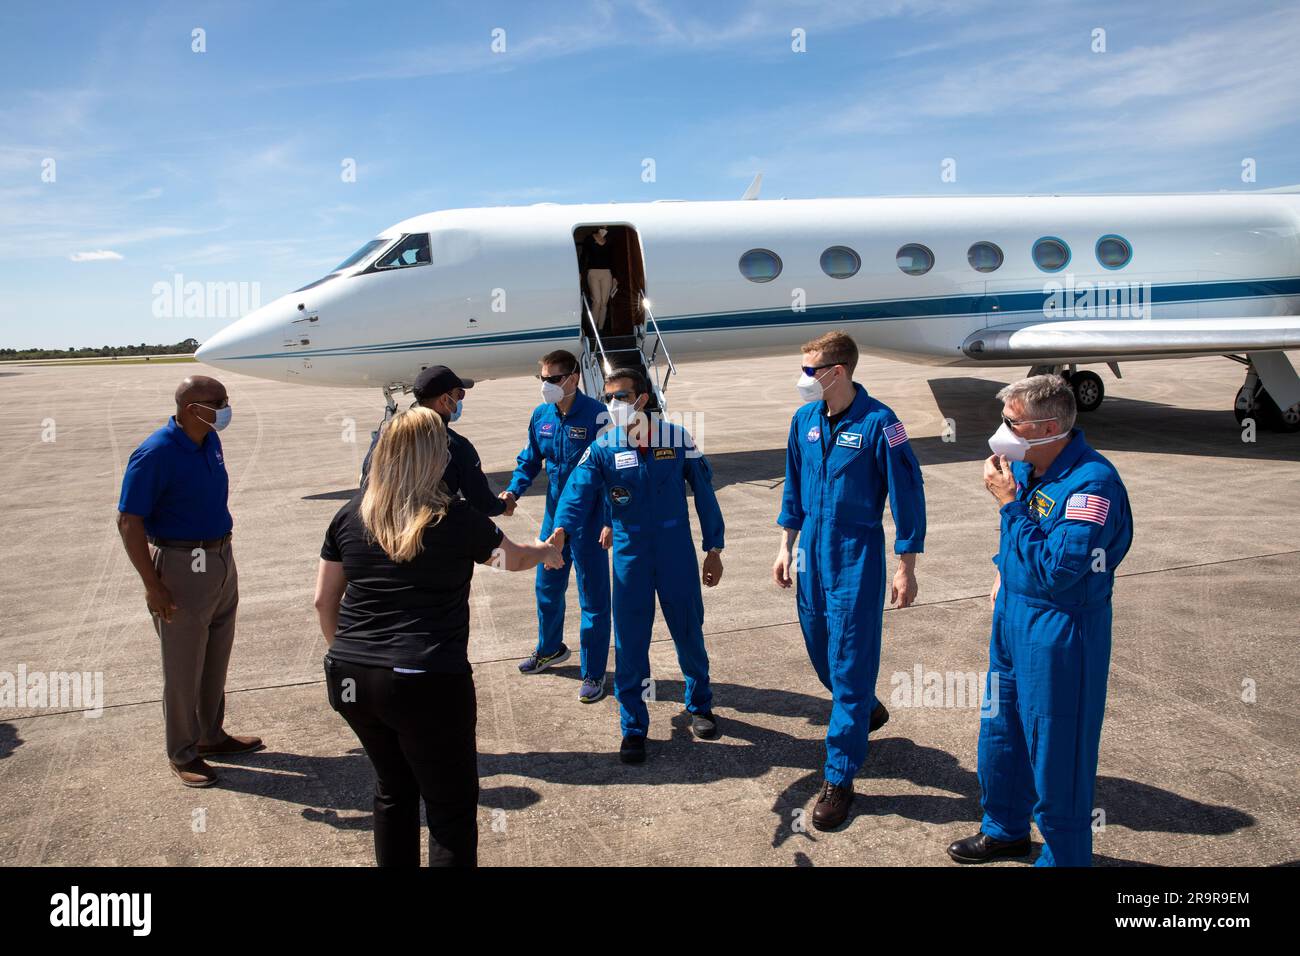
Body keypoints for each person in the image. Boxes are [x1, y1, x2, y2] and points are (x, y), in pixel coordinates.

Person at [315, 406, 562, 867]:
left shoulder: (349, 515)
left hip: (350, 675)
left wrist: (357, 658)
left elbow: (324, 602)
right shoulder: (453, 516)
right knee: (449, 809)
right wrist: (548, 550)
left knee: (393, 792)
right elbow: (511, 560)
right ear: (435, 456)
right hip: (424, 677)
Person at [948, 375, 1132, 867]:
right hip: (1014, 616)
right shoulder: (1031, 465)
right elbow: (1023, 545)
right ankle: (1004, 829)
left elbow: (1060, 573)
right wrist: (1003, 572)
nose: (1000, 431)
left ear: (1048, 427)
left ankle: (1066, 857)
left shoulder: (1092, 486)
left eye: (1011, 422)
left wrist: (1007, 504)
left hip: (1060, 630)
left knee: (1058, 753)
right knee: (1001, 732)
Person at [773, 331, 926, 831]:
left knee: (851, 661)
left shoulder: (883, 424)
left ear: (837, 372)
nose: (803, 379)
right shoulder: (804, 421)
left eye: (809, 370)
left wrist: (907, 565)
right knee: (822, 651)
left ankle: (839, 778)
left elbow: (907, 493)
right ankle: (864, 709)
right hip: (811, 556)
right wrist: (785, 546)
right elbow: (793, 485)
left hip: (856, 557)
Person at [548, 367, 725, 764]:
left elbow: (705, 493)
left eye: (621, 397)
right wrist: (562, 529)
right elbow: (578, 492)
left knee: (687, 629)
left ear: (642, 399)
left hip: (675, 549)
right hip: (630, 555)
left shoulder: (678, 440)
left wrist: (713, 547)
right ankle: (633, 727)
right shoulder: (603, 447)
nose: (613, 405)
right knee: (629, 642)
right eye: (609, 397)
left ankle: (700, 705)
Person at [116, 375, 262, 788]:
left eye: (225, 398)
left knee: (216, 653)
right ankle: (182, 752)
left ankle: (211, 734)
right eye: (217, 401)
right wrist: (153, 584)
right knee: (182, 665)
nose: (225, 406)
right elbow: (129, 521)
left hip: (219, 556)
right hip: (182, 563)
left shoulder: (210, 440)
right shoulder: (155, 453)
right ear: (190, 408)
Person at [500, 350, 614, 701]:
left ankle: (594, 672)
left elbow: (611, 473)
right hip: (553, 519)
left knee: (593, 598)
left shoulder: (598, 416)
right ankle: (550, 648)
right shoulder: (541, 416)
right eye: (543, 379)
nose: (546, 386)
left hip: (590, 520)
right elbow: (530, 459)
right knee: (547, 588)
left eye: (553, 379)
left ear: (573, 378)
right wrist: (513, 490)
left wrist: (609, 520)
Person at [361, 365, 508, 518]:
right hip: (430, 529)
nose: (459, 400)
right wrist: (503, 506)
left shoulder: (385, 434)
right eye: (460, 394)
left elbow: (366, 480)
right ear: (445, 399)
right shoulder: (456, 446)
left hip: (383, 524)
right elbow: (482, 502)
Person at [582, 227, 616, 332]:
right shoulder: (589, 239)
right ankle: (593, 328)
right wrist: (580, 272)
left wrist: (614, 276)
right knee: (596, 301)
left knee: (604, 303)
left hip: (607, 272)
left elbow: (612, 259)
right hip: (593, 272)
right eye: (603, 226)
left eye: (606, 226)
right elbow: (583, 256)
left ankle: (600, 330)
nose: (604, 227)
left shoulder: (609, 239)